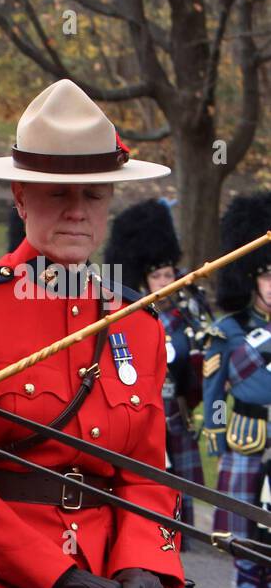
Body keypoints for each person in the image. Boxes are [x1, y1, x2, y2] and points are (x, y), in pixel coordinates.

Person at [0, 79, 223, 588]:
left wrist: (144, 566)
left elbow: (149, 471)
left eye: (93, 195)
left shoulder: (137, 322)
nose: (76, 210)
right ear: (21, 197)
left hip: (120, 575)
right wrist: (60, 577)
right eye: (57, 193)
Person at [104, 198, 207, 530]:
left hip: (175, 412)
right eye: (157, 276)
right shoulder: (126, 317)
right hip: (138, 412)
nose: (165, 281)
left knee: (181, 505)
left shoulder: (184, 316)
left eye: (168, 274)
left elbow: (198, 375)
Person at [202, 193, 271, 588]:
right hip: (245, 441)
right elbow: (213, 392)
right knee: (243, 534)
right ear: (252, 279)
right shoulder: (227, 331)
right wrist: (216, 432)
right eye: (269, 274)